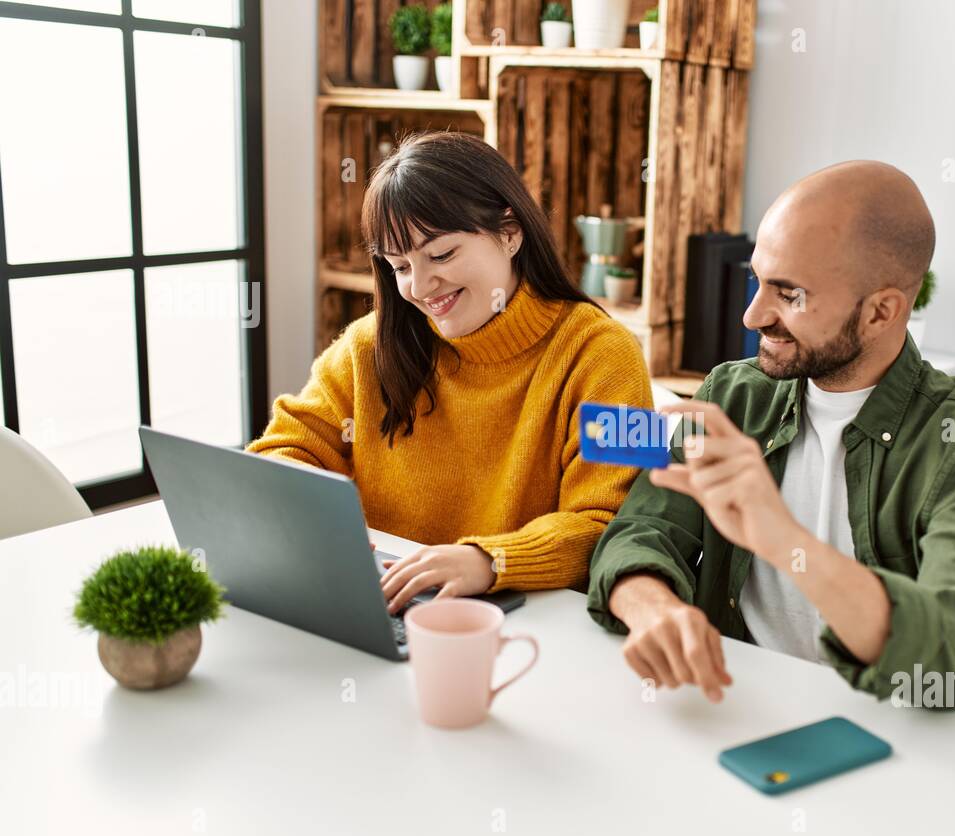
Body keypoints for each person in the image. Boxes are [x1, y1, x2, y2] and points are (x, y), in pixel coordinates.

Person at [586, 160, 955, 722]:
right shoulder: (732, 396)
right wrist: (652, 608)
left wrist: (779, 536)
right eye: (758, 280)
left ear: (881, 312)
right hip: (745, 710)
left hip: (909, 743)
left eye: (790, 294)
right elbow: (642, 530)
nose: (753, 315)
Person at [248, 131, 652, 609]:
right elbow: (281, 453)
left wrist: (490, 560)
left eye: (441, 255)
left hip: (530, 630)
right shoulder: (367, 345)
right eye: (399, 266)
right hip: (388, 606)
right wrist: (315, 510)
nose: (420, 287)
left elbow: (617, 526)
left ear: (510, 232)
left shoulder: (608, 354)